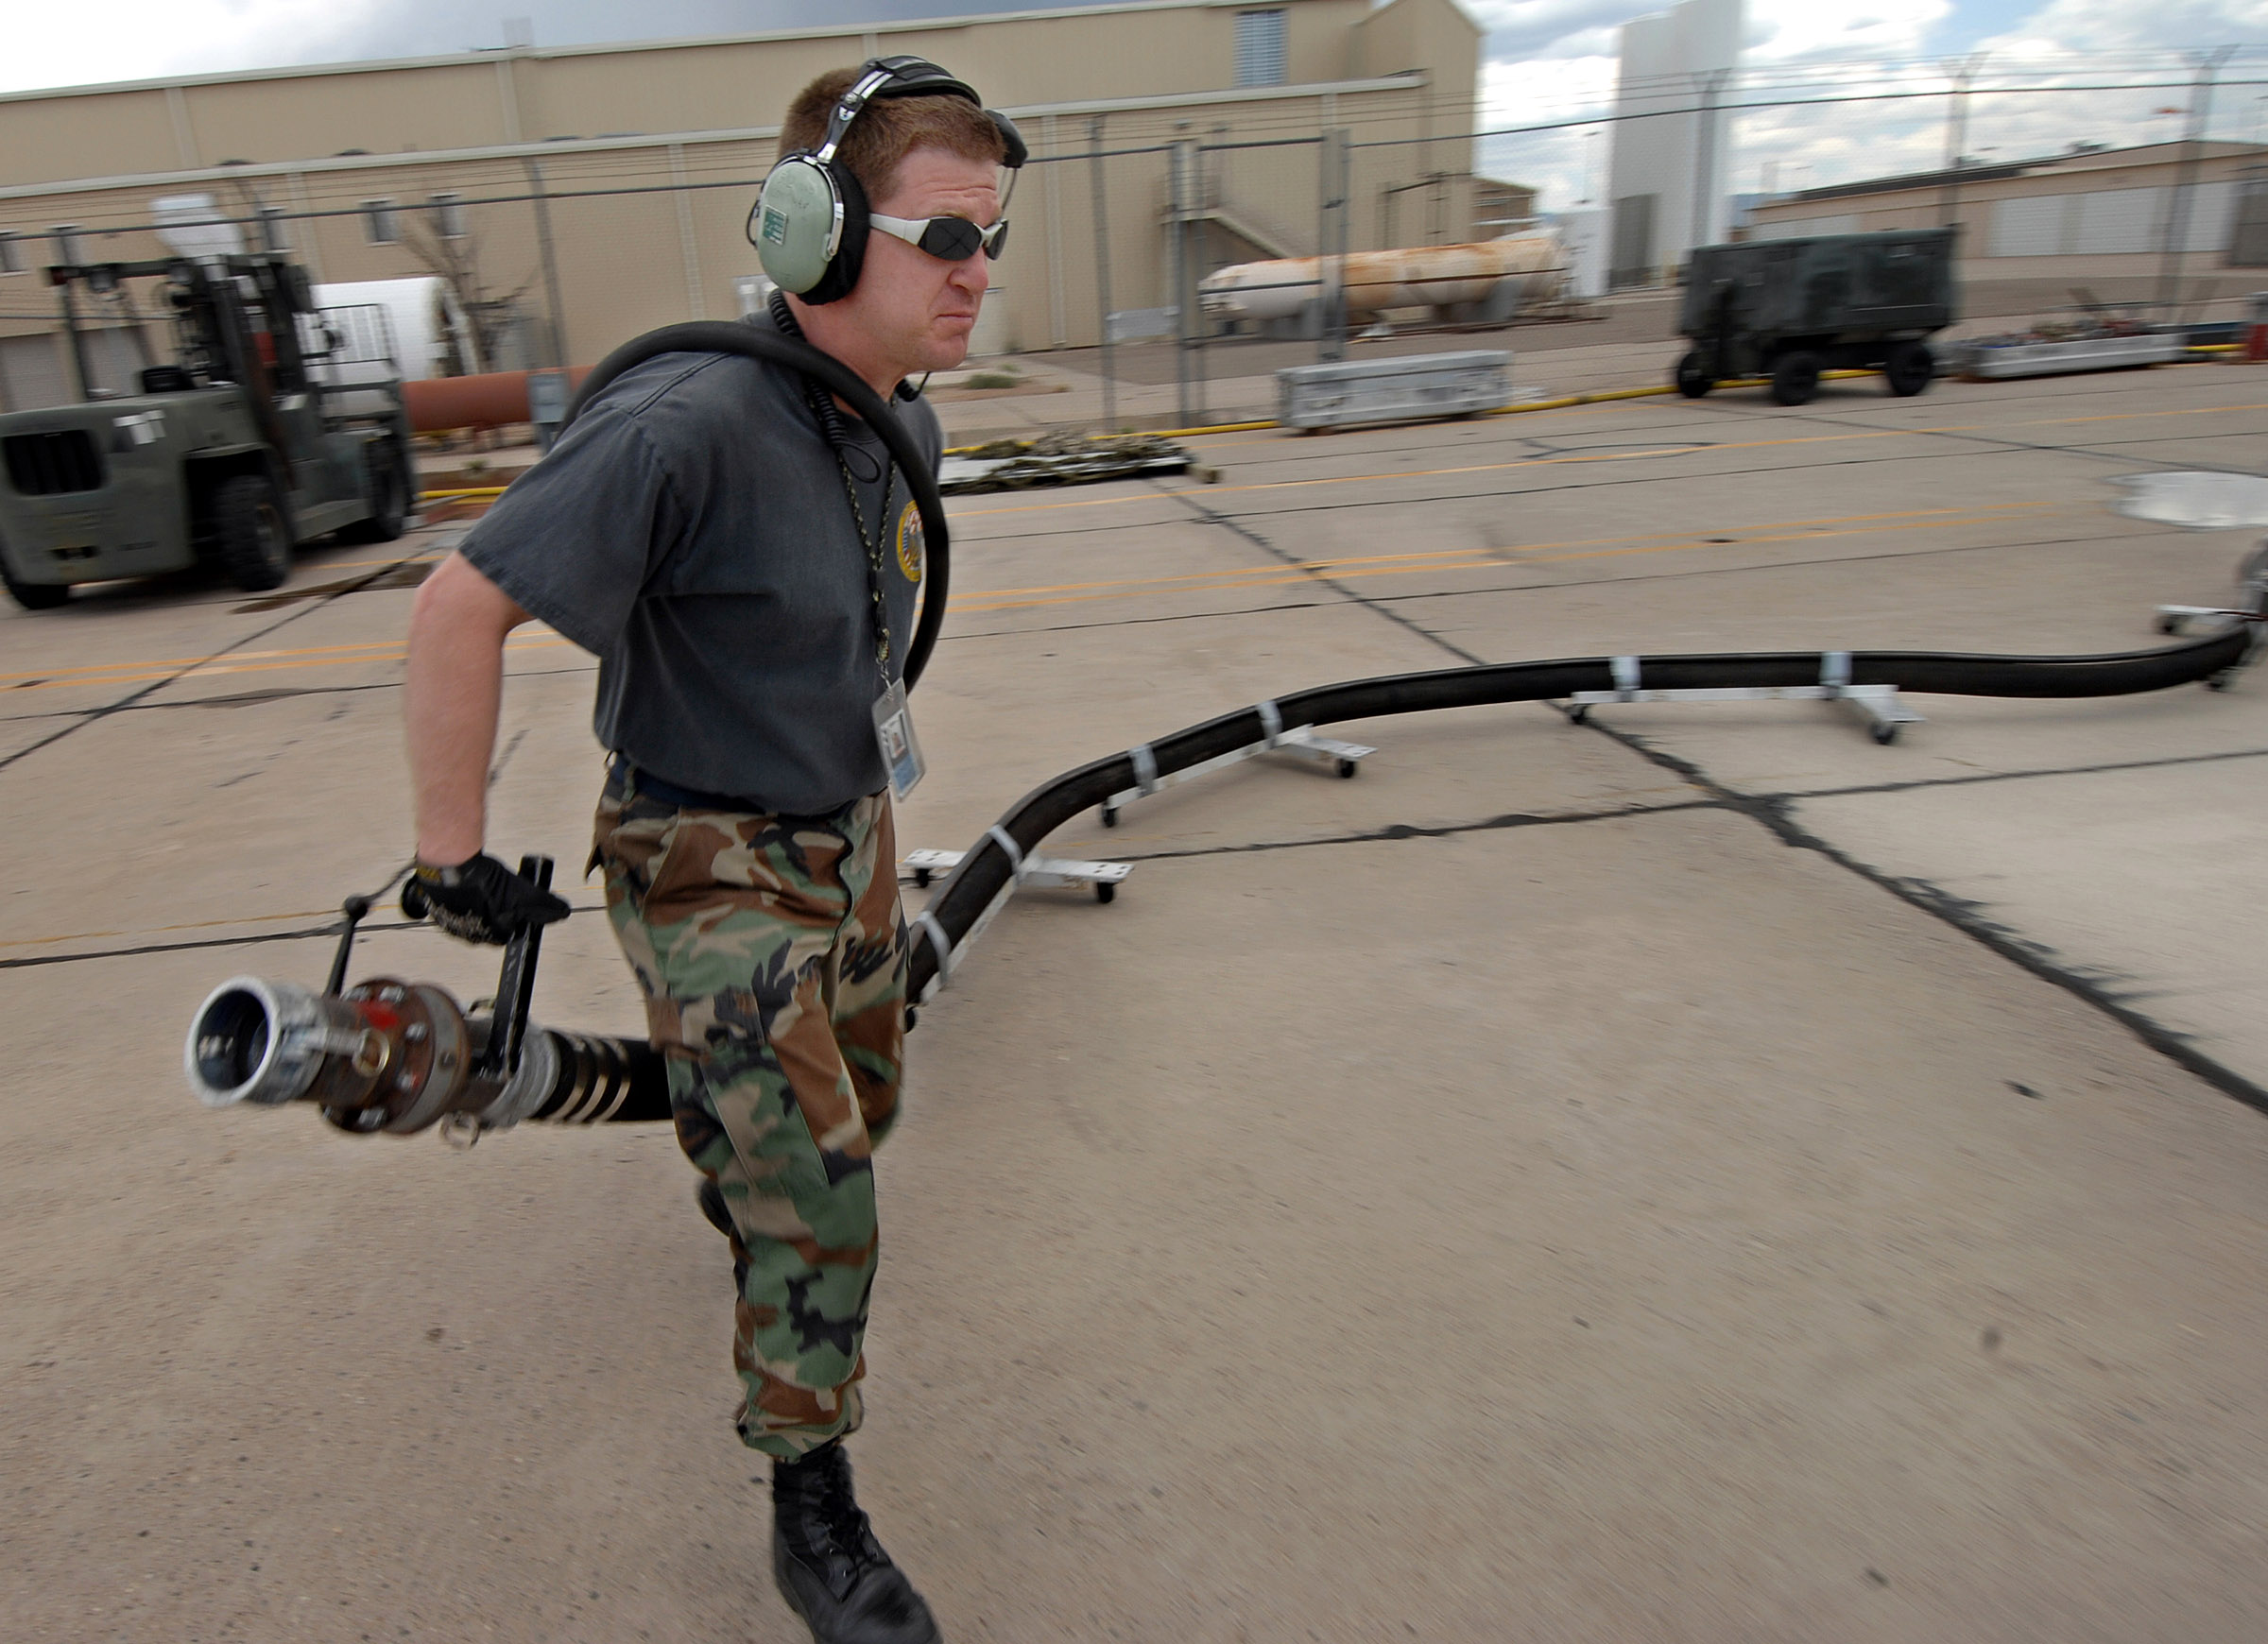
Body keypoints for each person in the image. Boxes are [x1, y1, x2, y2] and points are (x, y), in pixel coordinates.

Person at [400, 59, 1019, 1644]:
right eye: (948, 238)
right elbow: (459, 607)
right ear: (819, 235)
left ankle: (743, 1155)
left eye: (994, 239)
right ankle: (813, 1504)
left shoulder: (897, 421)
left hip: (852, 832)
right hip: (709, 858)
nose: (979, 273)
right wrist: (452, 860)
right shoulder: (683, 424)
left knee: (863, 1102)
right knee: (821, 1191)